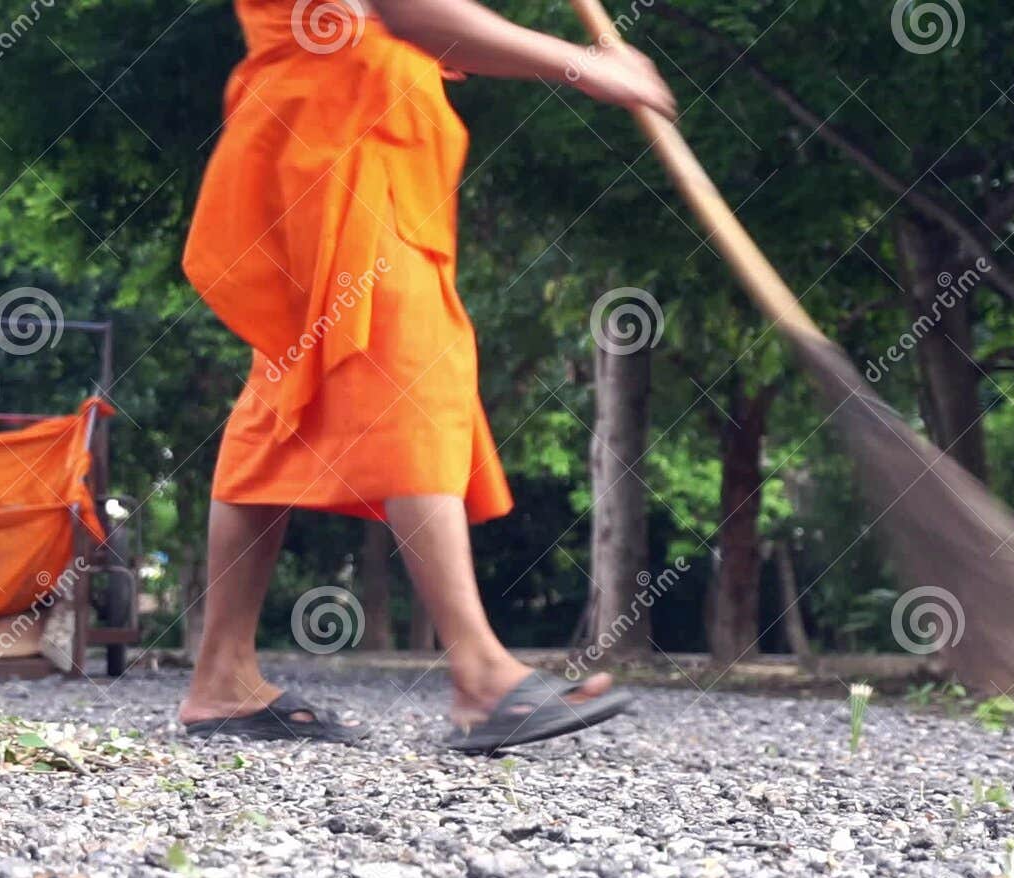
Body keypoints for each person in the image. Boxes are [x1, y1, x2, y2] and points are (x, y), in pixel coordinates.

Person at [179, 0, 676, 751]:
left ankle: (223, 679)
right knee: (413, 375)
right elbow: (415, 10)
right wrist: (585, 64)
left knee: (288, 400)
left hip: (339, 135)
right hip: (336, 141)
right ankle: (481, 672)